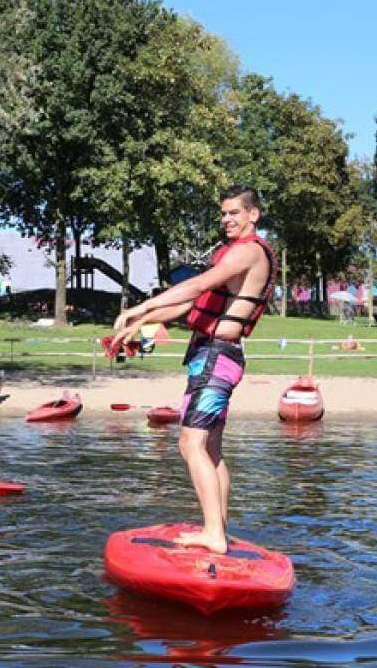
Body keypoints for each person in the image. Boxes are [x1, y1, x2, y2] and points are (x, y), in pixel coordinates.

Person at [111, 186, 276, 555]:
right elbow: (192, 304)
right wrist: (141, 323)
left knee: (191, 443)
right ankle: (217, 528)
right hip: (216, 356)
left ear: (254, 215)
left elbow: (198, 284)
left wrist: (140, 306)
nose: (227, 220)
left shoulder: (249, 252)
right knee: (212, 449)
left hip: (217, 357)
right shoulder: (232, 256)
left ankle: (214, 534)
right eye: (223, 214)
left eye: (235, 213)